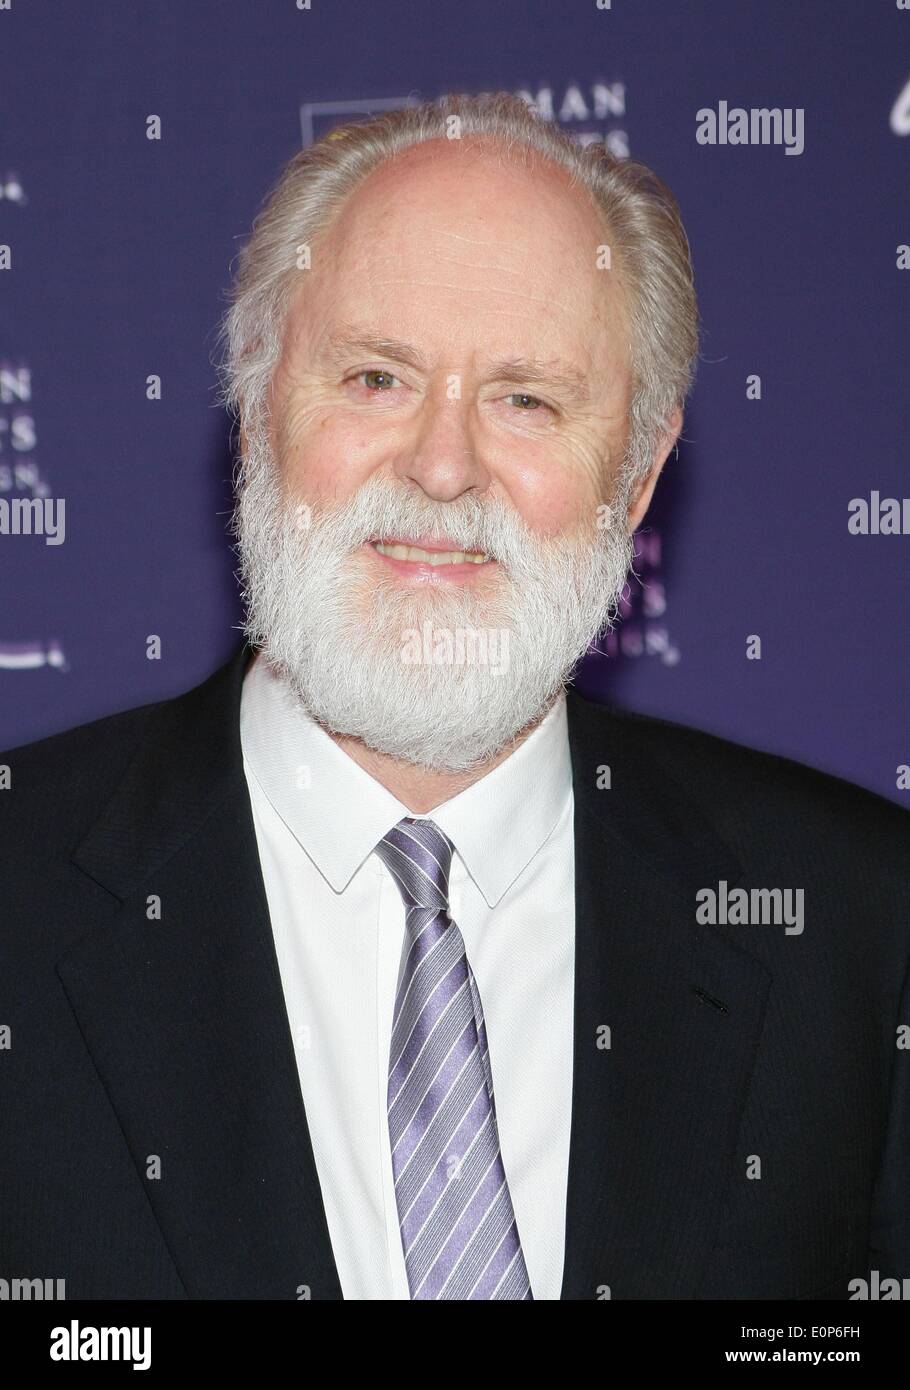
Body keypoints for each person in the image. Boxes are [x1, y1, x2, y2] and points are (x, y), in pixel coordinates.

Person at [1, 92, 908, 1301]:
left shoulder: (857, 928)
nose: (441, 466)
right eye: (376, 377)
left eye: (526, 398)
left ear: (635, 476)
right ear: (257, 415)